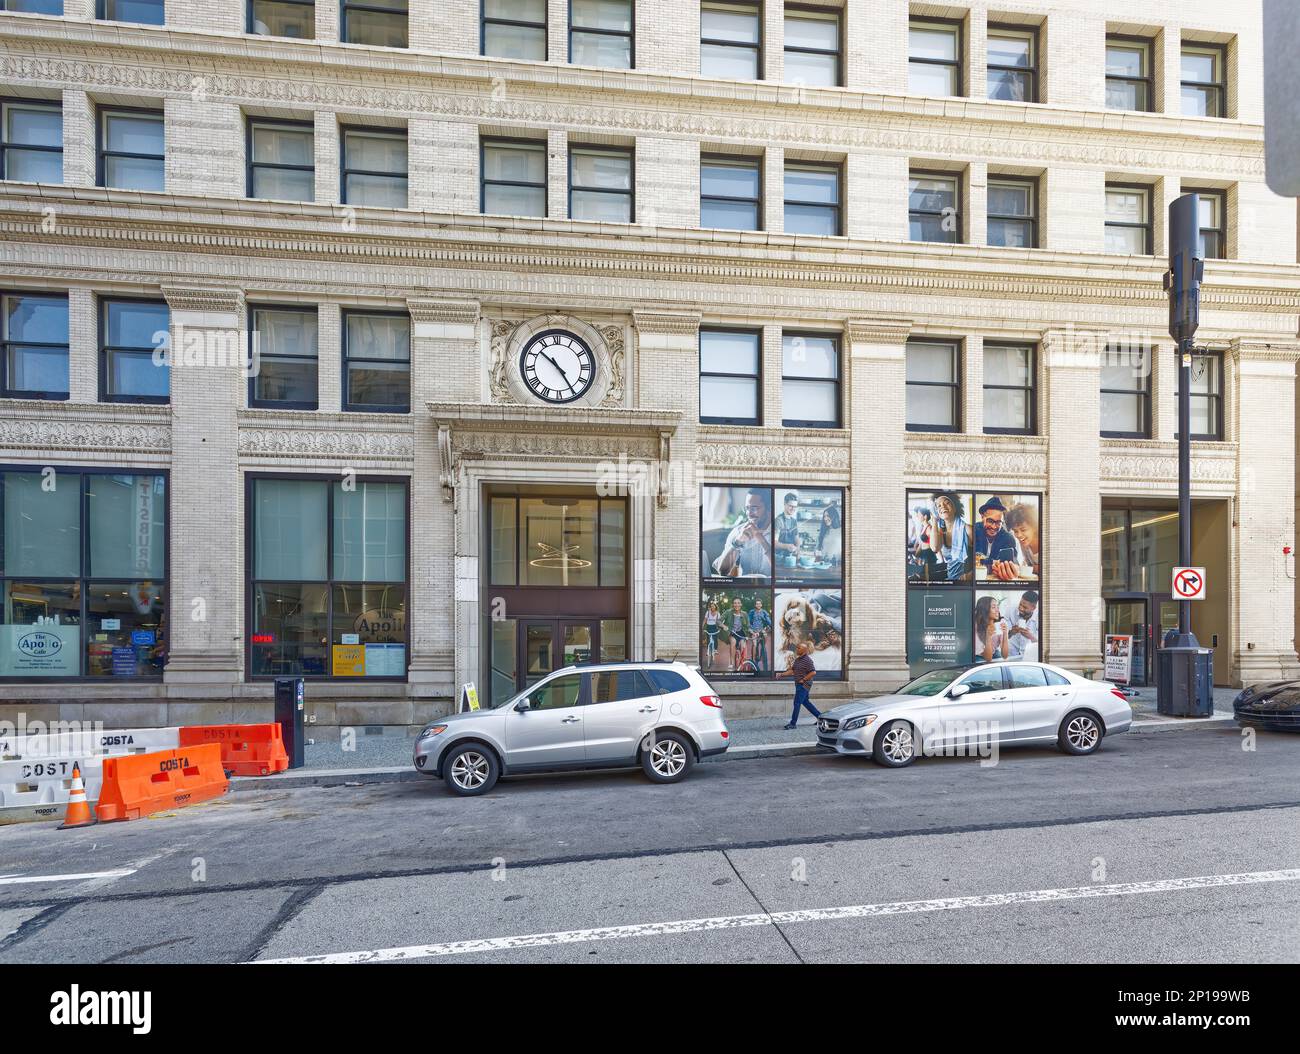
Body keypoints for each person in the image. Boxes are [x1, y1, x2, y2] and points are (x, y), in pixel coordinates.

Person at [713, 489, 773, 578]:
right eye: (747, 508)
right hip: (746, 588)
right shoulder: (738, 532)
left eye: (754, 508)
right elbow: (722, 571)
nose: (749, 513)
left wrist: (761, 539)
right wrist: (737, 542)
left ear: (769, 508)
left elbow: (780, 574)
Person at [777, 641, 821, 729]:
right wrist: (781, 674)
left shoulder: (808, 660)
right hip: (799, 684)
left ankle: (793, 724)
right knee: (806, 702)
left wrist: (803, 679)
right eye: (797, 647)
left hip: (803, 685)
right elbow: (792, 671)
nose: (797, 649)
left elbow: (813, 672)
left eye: (799, 648)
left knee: (797, 703)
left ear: (804, 650)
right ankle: (821, 718)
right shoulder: (798, 660)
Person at [930, 491, 972, 581]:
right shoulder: (941, 532)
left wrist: (969, 576)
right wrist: (934, 520)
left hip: (966, 582)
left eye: (947, 503)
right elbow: (935, 548)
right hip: (951, 578)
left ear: (955, 507)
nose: (943, 507)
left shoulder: (968, 529)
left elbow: (982, 558)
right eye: (939, 506)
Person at [998, 501, 1041, 581]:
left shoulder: (1044, 541)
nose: (1019, 535)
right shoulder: (1024, 543)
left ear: (1034, 527)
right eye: (1015, 531)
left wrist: (1021, 568)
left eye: (1023, 530)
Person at [975, 496, 1019, 572]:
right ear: (982, 517)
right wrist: (993, 562)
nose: (994, 526)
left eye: (998, 522)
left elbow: (1012, 562)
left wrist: (1013, 567)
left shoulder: (1008, 538)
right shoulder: (974, 531)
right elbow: (973, 559)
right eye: (990, 521)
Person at [974, 595, 1009, 662]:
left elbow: (1005, 655)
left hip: (993, 652)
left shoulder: (1001, 623)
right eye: (993, 607)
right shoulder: (976, 626)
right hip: (978, 655)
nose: (997, 610)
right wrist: (988, 637)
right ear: (984, 610)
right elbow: (988, 659)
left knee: (1004, 662)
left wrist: (1005, 634)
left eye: (997, 607)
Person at [1006, 590, 1040, 659]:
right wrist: (1011, 632)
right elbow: (1002, 636)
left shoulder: (1039, 617)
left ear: (1033, 608)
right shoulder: (1010, 610)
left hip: (1029, 656)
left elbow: (1041, 644)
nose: (1020, 608)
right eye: (1020, 604)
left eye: (1025, 607)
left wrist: (1030, 636)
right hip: (1011, 654)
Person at [774, 492, 801, 565]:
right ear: (785, 504)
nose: (793, 509)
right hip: (778, 559)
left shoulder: (794, 521)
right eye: (791, 506)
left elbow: (797, 539)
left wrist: (798, 548)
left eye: (795, 507)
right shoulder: (778, 520)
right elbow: (774, 543)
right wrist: (786, 546)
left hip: (790, 558)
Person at [747, 596, 773, 671]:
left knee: (764, 641)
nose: (758, 605)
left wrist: (770, 625)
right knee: (755, 645)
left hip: (762, 630)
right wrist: (752, 631)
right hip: (754, 631)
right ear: (755, 605)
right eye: (757, 604)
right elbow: (749, 622)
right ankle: (753, 661)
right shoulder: (752, 612)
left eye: (759, 604)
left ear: (761, 605)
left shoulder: (764, 612)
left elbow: (768, 621)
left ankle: (762, 653)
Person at [815, 503, 842, 568]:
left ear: (834, 516)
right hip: (823, 564)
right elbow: (818, 549)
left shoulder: (841, 530)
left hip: (837, 565)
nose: (825, 518)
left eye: (828, 515)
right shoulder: (824, 531)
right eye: (824, 516)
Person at [728, 597, 749, 671]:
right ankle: (731, 663)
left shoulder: (744, 614)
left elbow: (748, 626)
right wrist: (723, 626)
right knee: (733, 642)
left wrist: (753, 632)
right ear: (733, 604)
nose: (736, 604)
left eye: (738, 603)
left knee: (743, 646)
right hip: (733, 632)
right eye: (735, 603)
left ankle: (743, 662)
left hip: (741, 633)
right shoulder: (729, 612)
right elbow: (719, 621)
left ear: (741, 604)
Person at [703, 599, 723, 668]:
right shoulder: (707, 612)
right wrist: (702, 627)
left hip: (715, 627)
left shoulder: (718, 613)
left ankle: (715, 649)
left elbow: (719, 622)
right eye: (711, 606)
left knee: (715, 638)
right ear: (710, 607)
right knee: (708, 639)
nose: (712, 607)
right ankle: (708, 651)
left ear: (715, 607)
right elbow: (705, 620)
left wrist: (720, 628)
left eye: (713, 606)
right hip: (709, 627)